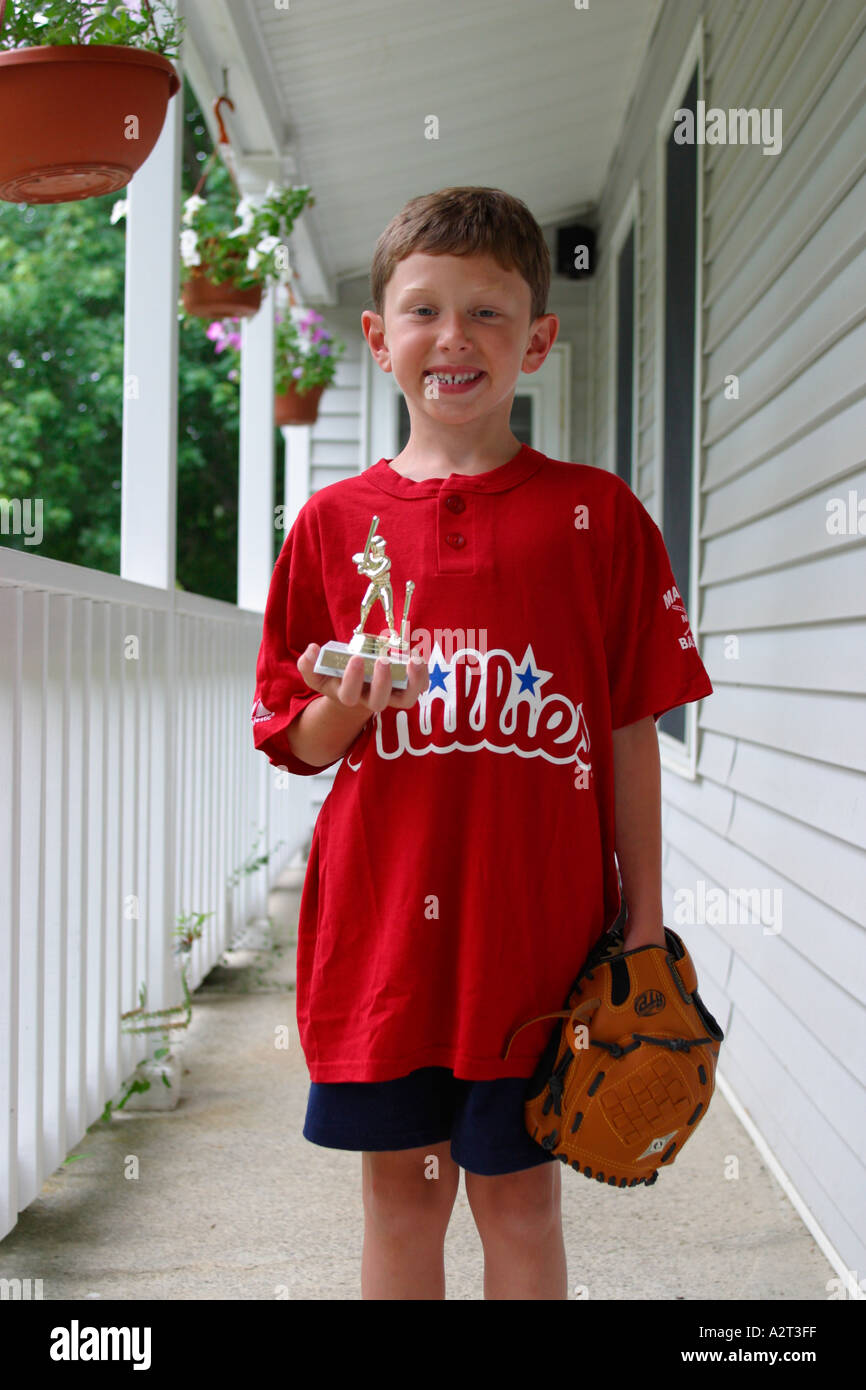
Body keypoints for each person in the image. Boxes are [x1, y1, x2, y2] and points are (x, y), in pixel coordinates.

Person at [250, 186, 714, 1300]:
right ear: (378, 338)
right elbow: (297, 742)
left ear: (539, 339)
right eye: (422, 310)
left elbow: (627, 733)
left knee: (518, 1200)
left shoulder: (596, 519)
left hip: (540, 947)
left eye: (488, 313)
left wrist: (640, 924)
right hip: (383, 946)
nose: (452, 337)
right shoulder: (329, 526)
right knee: (401, 1202)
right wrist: (350, 703)